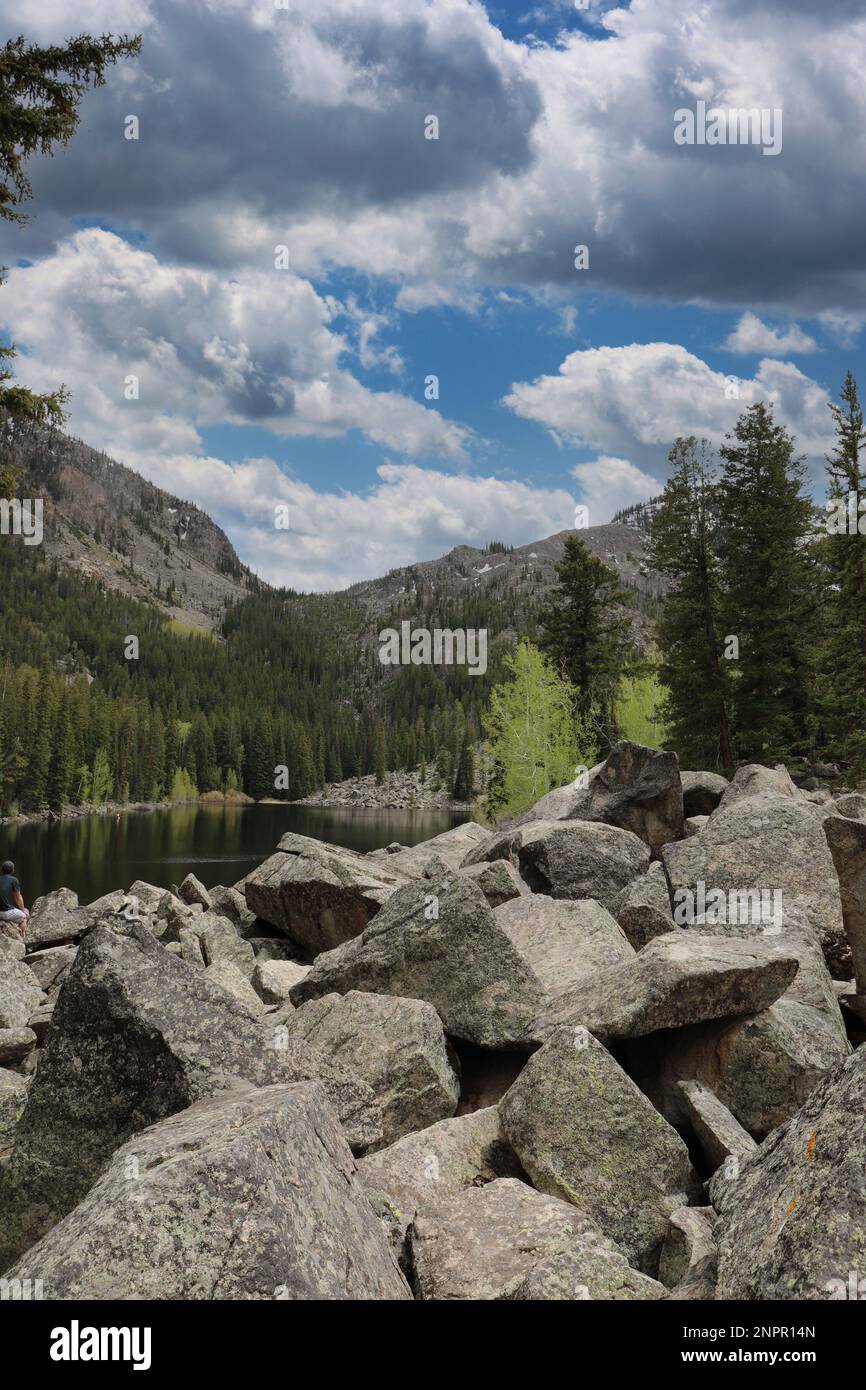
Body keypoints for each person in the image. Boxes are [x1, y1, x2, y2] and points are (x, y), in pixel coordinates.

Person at [0, 860, 29, 938]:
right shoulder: (14, 880)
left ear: (1, 869)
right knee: (24, 917)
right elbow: (18, 898)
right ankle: (21, 939)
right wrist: (23, 911)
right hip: (4, 912)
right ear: (13, 870)